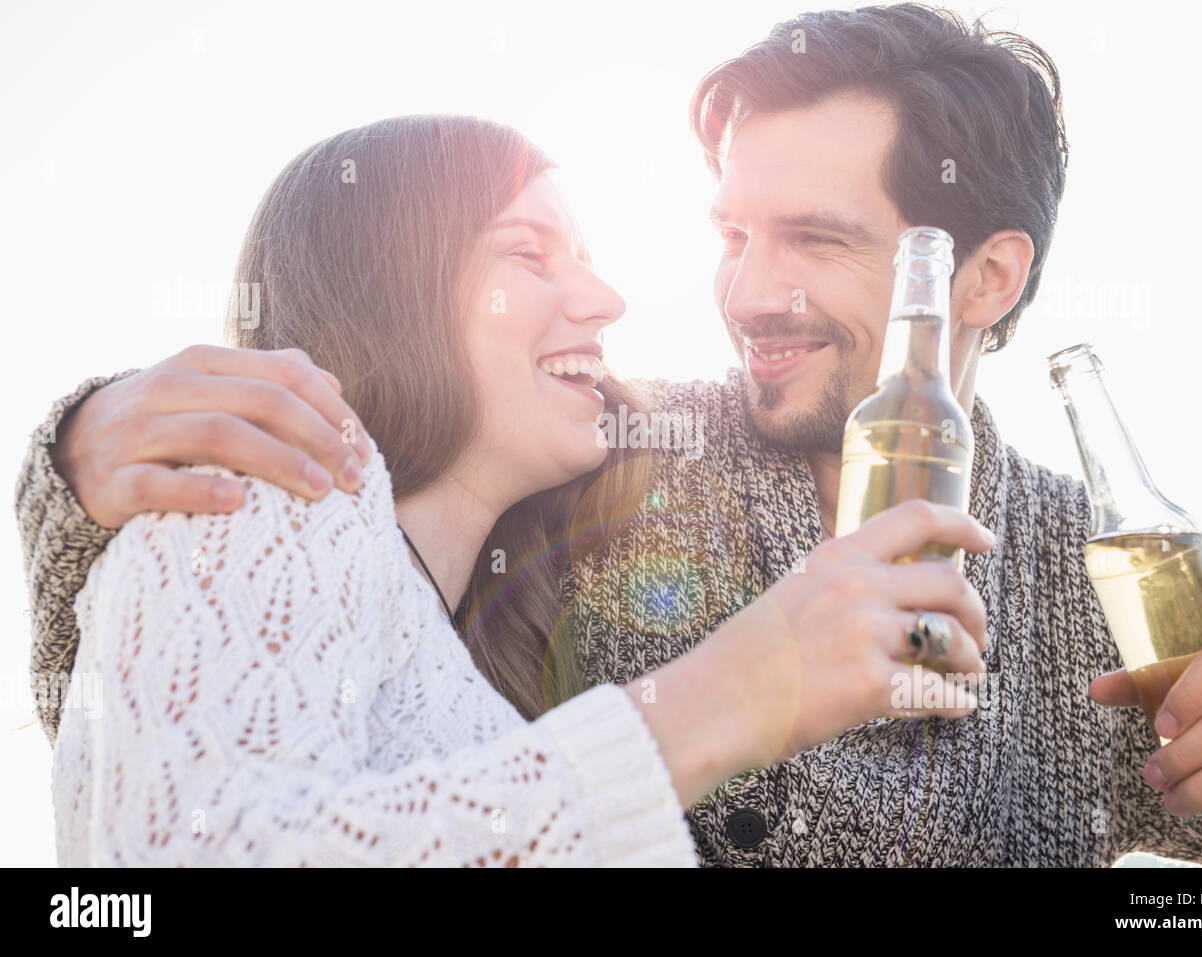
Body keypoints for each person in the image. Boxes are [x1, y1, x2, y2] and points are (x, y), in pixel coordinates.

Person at [19, 5, 1202, 866]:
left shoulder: (1107, 585)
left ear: (984, 279)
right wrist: (79, 460)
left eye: (813, 240)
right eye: (733, 235)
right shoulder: (612, 447)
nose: (747, 291)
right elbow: (239, 661)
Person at [24, 113, 996, 866]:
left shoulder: (481, 641)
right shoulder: (279, 491)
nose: (606, 299)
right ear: (384, 290)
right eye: (529, 254)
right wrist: (720, 701)